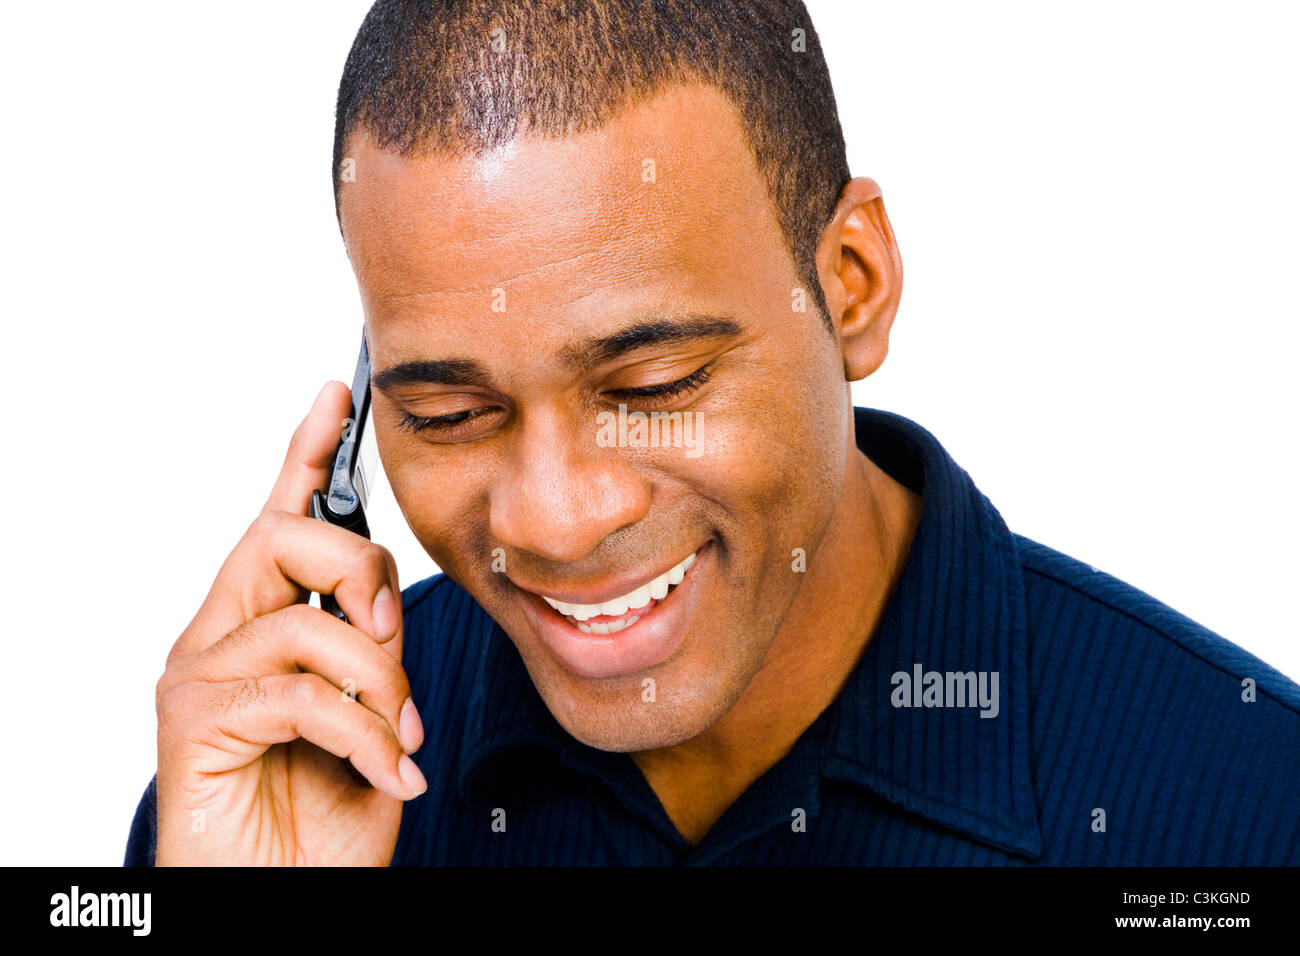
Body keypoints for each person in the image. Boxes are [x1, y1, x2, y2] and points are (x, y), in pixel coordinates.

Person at [126, 0, 1300, 865]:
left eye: (653, 383)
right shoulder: (282, 782)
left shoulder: (1246, 811)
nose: (554, 518)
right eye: (449, 414)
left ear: (849, 284)